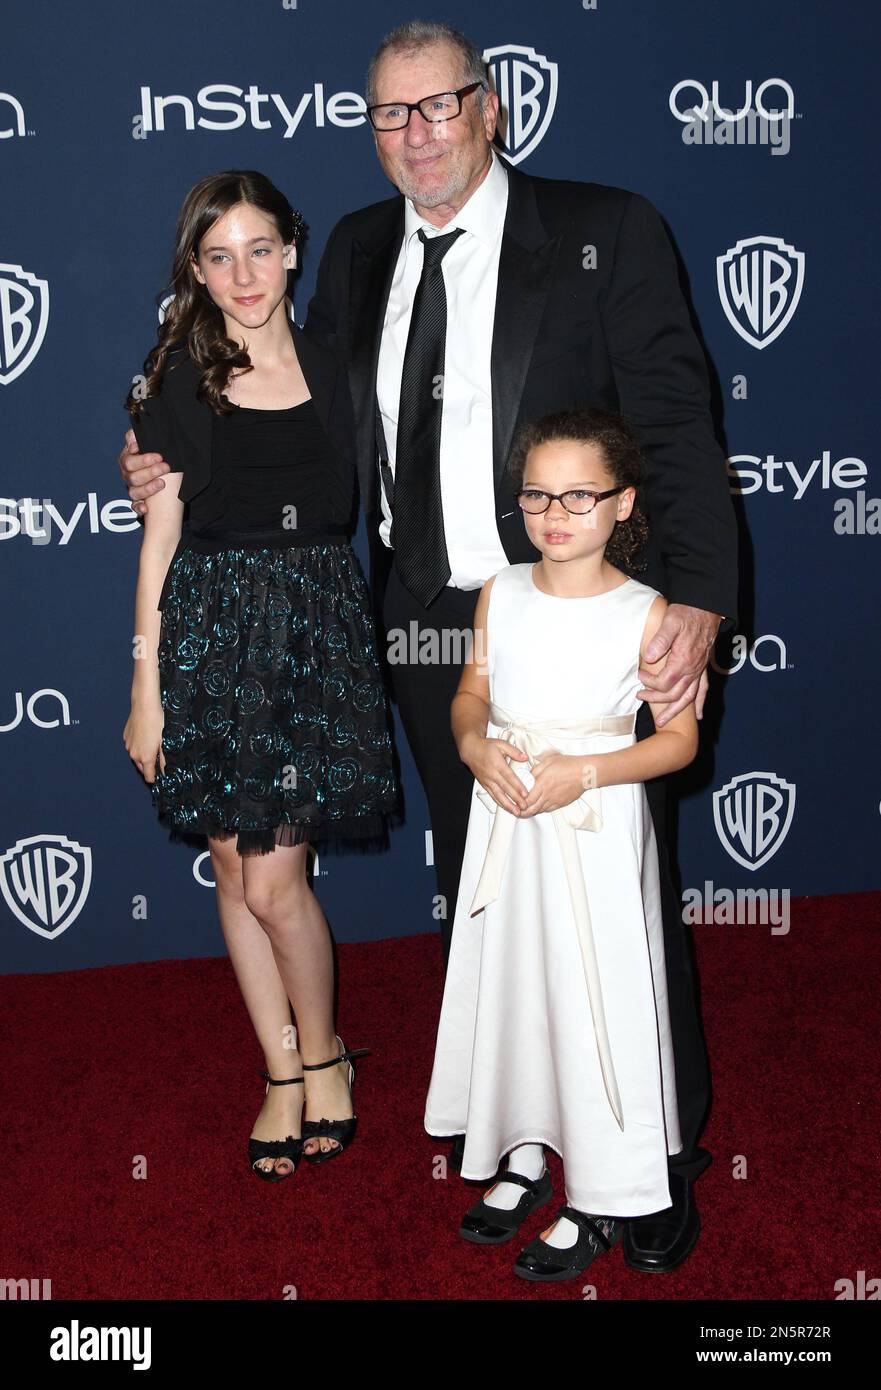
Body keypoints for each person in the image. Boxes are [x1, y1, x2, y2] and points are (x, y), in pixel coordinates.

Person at [117, 21, 738, 1268]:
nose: (417, 133)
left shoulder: (604, 228)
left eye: (438, 106)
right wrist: (165, 467)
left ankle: (651, 1156)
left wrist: (699, 601)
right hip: (420, 621)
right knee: (487, 895)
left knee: (609, 892)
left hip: (585, 613)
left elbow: (675, 420)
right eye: (390, 115)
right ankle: (518, 1139)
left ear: (489, 107)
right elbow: (283, 403)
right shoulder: (352, 247)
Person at [122, 169, 399, 1180]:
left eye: (259, 248)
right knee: (237, 871)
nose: (243, 274)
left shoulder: (340, 363)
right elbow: (158, 542)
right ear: (196, 270)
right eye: (218, 255)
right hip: (209, 637)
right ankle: (286, 1071)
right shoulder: (176, 377)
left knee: (277, 879)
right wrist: (146, 687)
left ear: (292, 246)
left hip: (313, 636)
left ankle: (324, 1055)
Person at [424, 407, 697, 1281]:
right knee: (517, 985)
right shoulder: (499, 591)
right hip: (507, 814)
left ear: (622, 504)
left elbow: (678, 742)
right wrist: (473, 746)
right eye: (538, 493)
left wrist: (579, 773)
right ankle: (524, 1152)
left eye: (580, 495)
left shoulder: (648, 612)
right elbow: (472, 694)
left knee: (595, 999)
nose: (555, 512)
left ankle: (603, 1189)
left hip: (593, 825)